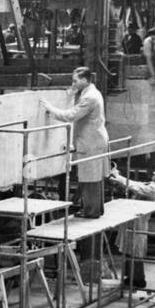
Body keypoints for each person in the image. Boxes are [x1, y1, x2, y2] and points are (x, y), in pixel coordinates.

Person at [42, 66, 109, 218]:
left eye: (75, 81)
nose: (73, 83)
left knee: (91, 178)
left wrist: (51, 109)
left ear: (85, 80)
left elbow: (71, 115)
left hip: (91, 142)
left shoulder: (90, 97)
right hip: (93, 139)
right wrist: (72, 91)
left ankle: (91, 212)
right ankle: (95, 209)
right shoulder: (91, 92)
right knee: (92, 177)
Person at [108, 166, 155, 288]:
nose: (154, 171)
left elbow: (138, 188)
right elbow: (135, 183)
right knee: (129, 248)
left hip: (139, 219)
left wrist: (119, 179)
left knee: (136, 249)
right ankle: (131, 277)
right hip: (133, 216)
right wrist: (119, 177)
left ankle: (139, 279)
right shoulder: (151, 184)